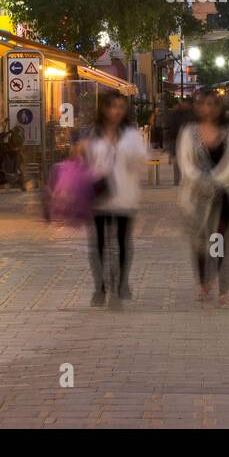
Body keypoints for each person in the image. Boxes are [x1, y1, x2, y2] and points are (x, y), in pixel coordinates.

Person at [177, 88, 229, 304]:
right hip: (197, 195)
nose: (208, 108)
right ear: (197, 107)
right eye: (203, 103)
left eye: (212, 104)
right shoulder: (189, 132)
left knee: (219, 240)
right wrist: (199, 179)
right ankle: (204, 283)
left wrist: (216, 180)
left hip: (222, 195)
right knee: (200, 241)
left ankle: (222, 287)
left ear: (219, 107)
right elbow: (185, 162)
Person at [82, 93, 147, 305]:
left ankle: (121, 284)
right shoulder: (95, 134)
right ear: (103, 109)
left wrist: (129, 157)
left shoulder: (131, 135)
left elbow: (141, 161)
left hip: (124, 195)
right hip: (99, 196)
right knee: (98, 243)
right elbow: (88, 162)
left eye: (120, 107)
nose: (116, 111)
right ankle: (100, 285)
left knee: (122, 241)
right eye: (112, 107)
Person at [165, 97, 195, 185]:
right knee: (177, 161)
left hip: (187, 140)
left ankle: (187, 178)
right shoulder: (175, 114)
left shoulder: (190, 114)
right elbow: (170, 126)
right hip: (176, 140)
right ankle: (177, 179)